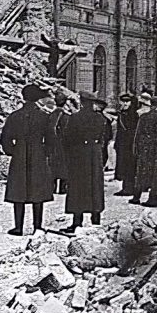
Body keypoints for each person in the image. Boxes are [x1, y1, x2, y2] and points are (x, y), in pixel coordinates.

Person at [0, 83, 54, 236]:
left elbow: (5, 138)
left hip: (20, 154)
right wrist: (46, 153)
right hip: (38, 154)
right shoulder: (44, 116)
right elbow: (51, 139)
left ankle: (18, 227)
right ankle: (38, 226)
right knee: (39, 192)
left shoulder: (15, 116)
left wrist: (12, 151)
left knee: (19, 191)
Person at [60, 91, 109, 230]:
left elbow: (67, 138)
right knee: (95, 185)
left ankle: (77, 220)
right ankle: (96, 219)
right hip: (95, 153)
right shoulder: (100, 118)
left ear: (81, 102)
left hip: (79, 154)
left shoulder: (75, 118)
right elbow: (104, 137)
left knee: (78, 186)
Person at [130, 93, 157, 206]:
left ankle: (136, 197)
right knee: (154, 172)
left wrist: (135, 147)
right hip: (156, 147)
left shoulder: (143, 117)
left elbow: (137, 133)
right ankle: (152, 198)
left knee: (141, 172)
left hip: (144, 147)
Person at [46, 88, 72, 196]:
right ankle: (63, 187)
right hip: (64, 145)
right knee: (64, 165)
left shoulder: (50, 116)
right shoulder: (67, 117)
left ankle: (52, 187)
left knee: (52, 165)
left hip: (52, 145)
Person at [113, 93, 139, 197]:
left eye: (127, 102)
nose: (124, 104)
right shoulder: (122, 114)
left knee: (129, 166)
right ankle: (126, 187)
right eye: (123, 101)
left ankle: (129, 188)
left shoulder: (132, 115)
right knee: (124, 165)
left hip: (129, 144)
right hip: (122, 143)